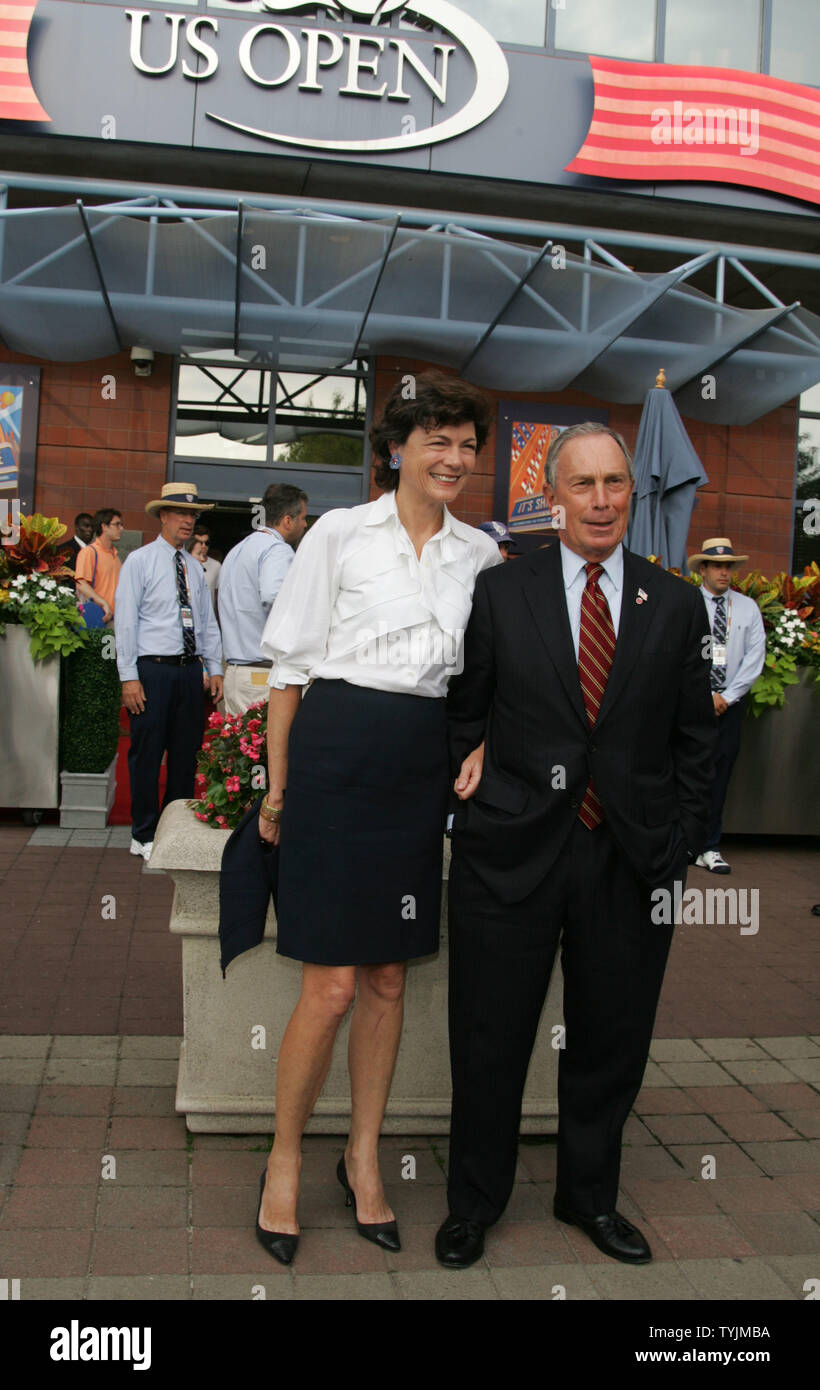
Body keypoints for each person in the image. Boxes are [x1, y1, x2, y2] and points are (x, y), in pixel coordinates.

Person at [436, 421, 716, 1269]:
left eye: (615, 484)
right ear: (550, 499)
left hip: (627, 862)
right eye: (583, 485)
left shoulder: (673, 603)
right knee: (489, 1036)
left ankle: (589, 1199)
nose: (601, 500)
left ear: (633, 493)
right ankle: (474, 1204)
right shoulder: (500, 591)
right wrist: (467, 765)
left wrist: (675, 844)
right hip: (509, 852)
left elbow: (697, 741)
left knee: (610, 1040)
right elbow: (461, 710)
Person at [248, 371, 500, 1266]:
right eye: (438, 440)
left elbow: (485, 679)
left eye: (468, 445)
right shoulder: (339, 536)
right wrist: (279, 793)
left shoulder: (481, 555)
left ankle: (362, 1158)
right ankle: (284, 1160)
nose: (456, 458)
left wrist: (477, 744)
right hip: (337, 752)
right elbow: (286, 674)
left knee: (389, 978)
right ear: (397, 448)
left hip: (418, 763)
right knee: (333, 983)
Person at [114, 483, 223, 862]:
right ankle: (143, 834)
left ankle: (172, 831)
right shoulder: (140, 562)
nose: (189, 521)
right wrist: (128, 676)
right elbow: (125, 623)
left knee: (185, 755)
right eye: (181, 513)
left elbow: (207, 623)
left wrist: (214, 667)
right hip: (153, 671)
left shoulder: (196, 568)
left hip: (189, 672)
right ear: (163, 516)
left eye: (193, 515)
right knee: (146, 753)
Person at [687, 538, 766, 874]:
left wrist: (727, 696)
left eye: (728, 566)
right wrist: (702, 695)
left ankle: (709, 846)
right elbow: (678, 654)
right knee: (685, 773)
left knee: (719, 777)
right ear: (702, 569)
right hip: (691, 706)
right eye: (717, 565)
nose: (724, 572)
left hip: (728, 708)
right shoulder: (686, 603)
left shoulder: (747, 608)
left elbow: (754, 658)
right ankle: (684, 842)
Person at [217, 484, 308, 716]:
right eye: (303, 518)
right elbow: (274, 597)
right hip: (262, 675)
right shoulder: (277, 550)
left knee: (237, 750)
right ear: (288, 520)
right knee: (271, 751)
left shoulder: (238, 550)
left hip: (236, 672)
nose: (305, 524)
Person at [74, 507, 123, 625]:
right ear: (104, 527)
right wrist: (102, 602)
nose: (121, 528)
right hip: (97, 617)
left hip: (114, 619)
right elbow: (81, 583)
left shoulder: (116, 556)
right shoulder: (89, 552)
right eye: (117, 524)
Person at [191, 523, 221, 611]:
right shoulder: (184, 562)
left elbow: (218, 594)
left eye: (206, 543)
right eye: (200, 543)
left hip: (208, 616)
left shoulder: (216, 565)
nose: (204, 546)